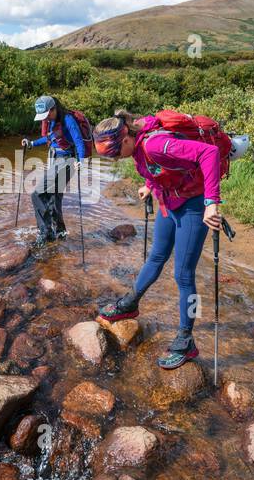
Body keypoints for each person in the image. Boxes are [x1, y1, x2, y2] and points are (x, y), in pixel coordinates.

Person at [93, 109, 225, 369]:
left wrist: (212, 203)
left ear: (126, 139)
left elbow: (209, 154)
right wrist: (150, 185)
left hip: (193, 206)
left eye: (115, 153)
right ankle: (129, 305)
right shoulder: (139, 141)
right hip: (170, 201)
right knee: (156, 256)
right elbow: (158, 168)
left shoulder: (155, 143)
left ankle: (187, 341)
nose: (116, 159)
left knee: (184, 275)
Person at [22, 95, 88, 248]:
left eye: (46, 114)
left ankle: (45, 233)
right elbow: (48, 139)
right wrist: (31, 143)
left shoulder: (68, 120)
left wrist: (81, 161)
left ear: (53, 109)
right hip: (57, 160)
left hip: (68, 161)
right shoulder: (51, 121)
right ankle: (59, 232)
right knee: (53, 197)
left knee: (37, 194)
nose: (45, 119)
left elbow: (78, 141)